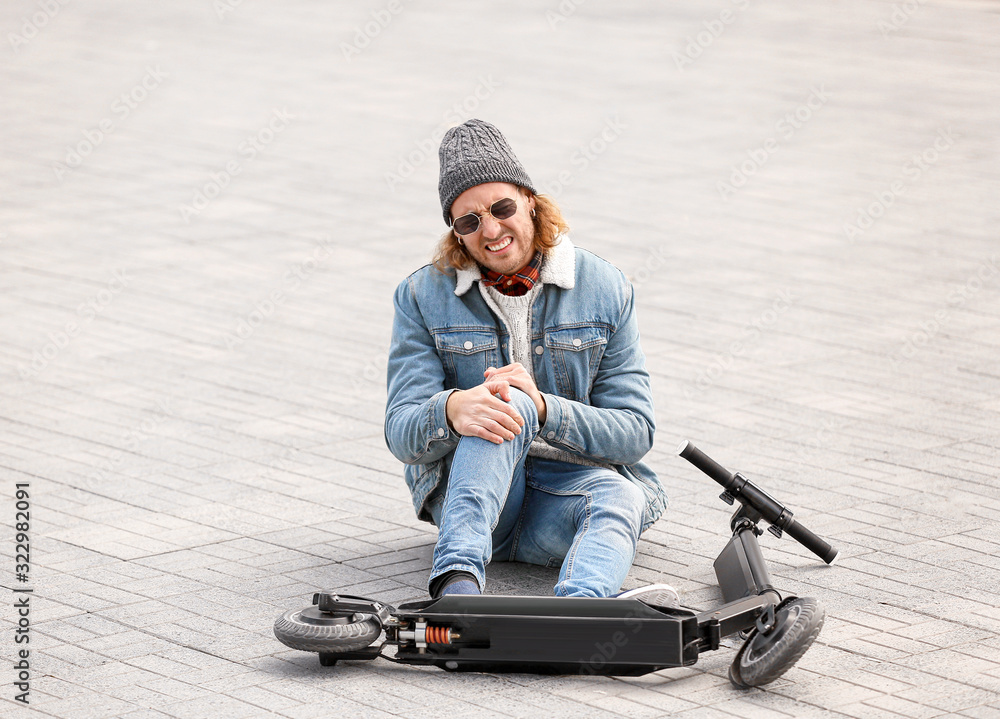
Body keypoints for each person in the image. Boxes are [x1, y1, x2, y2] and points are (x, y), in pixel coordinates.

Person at [384, 119, 674, 604]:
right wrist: (452, 409)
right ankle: (457, 586)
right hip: (477, 505)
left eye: (502, 208)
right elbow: (401, 430)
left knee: (622, 494)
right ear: (456, 232)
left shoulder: (604, 288)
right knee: (505, 400)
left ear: (530, 200)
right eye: (469, 221)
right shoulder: (421, 296)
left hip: (565, 500)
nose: (491, 230)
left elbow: (635, 432)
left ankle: (578, 614)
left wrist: (544, 409)